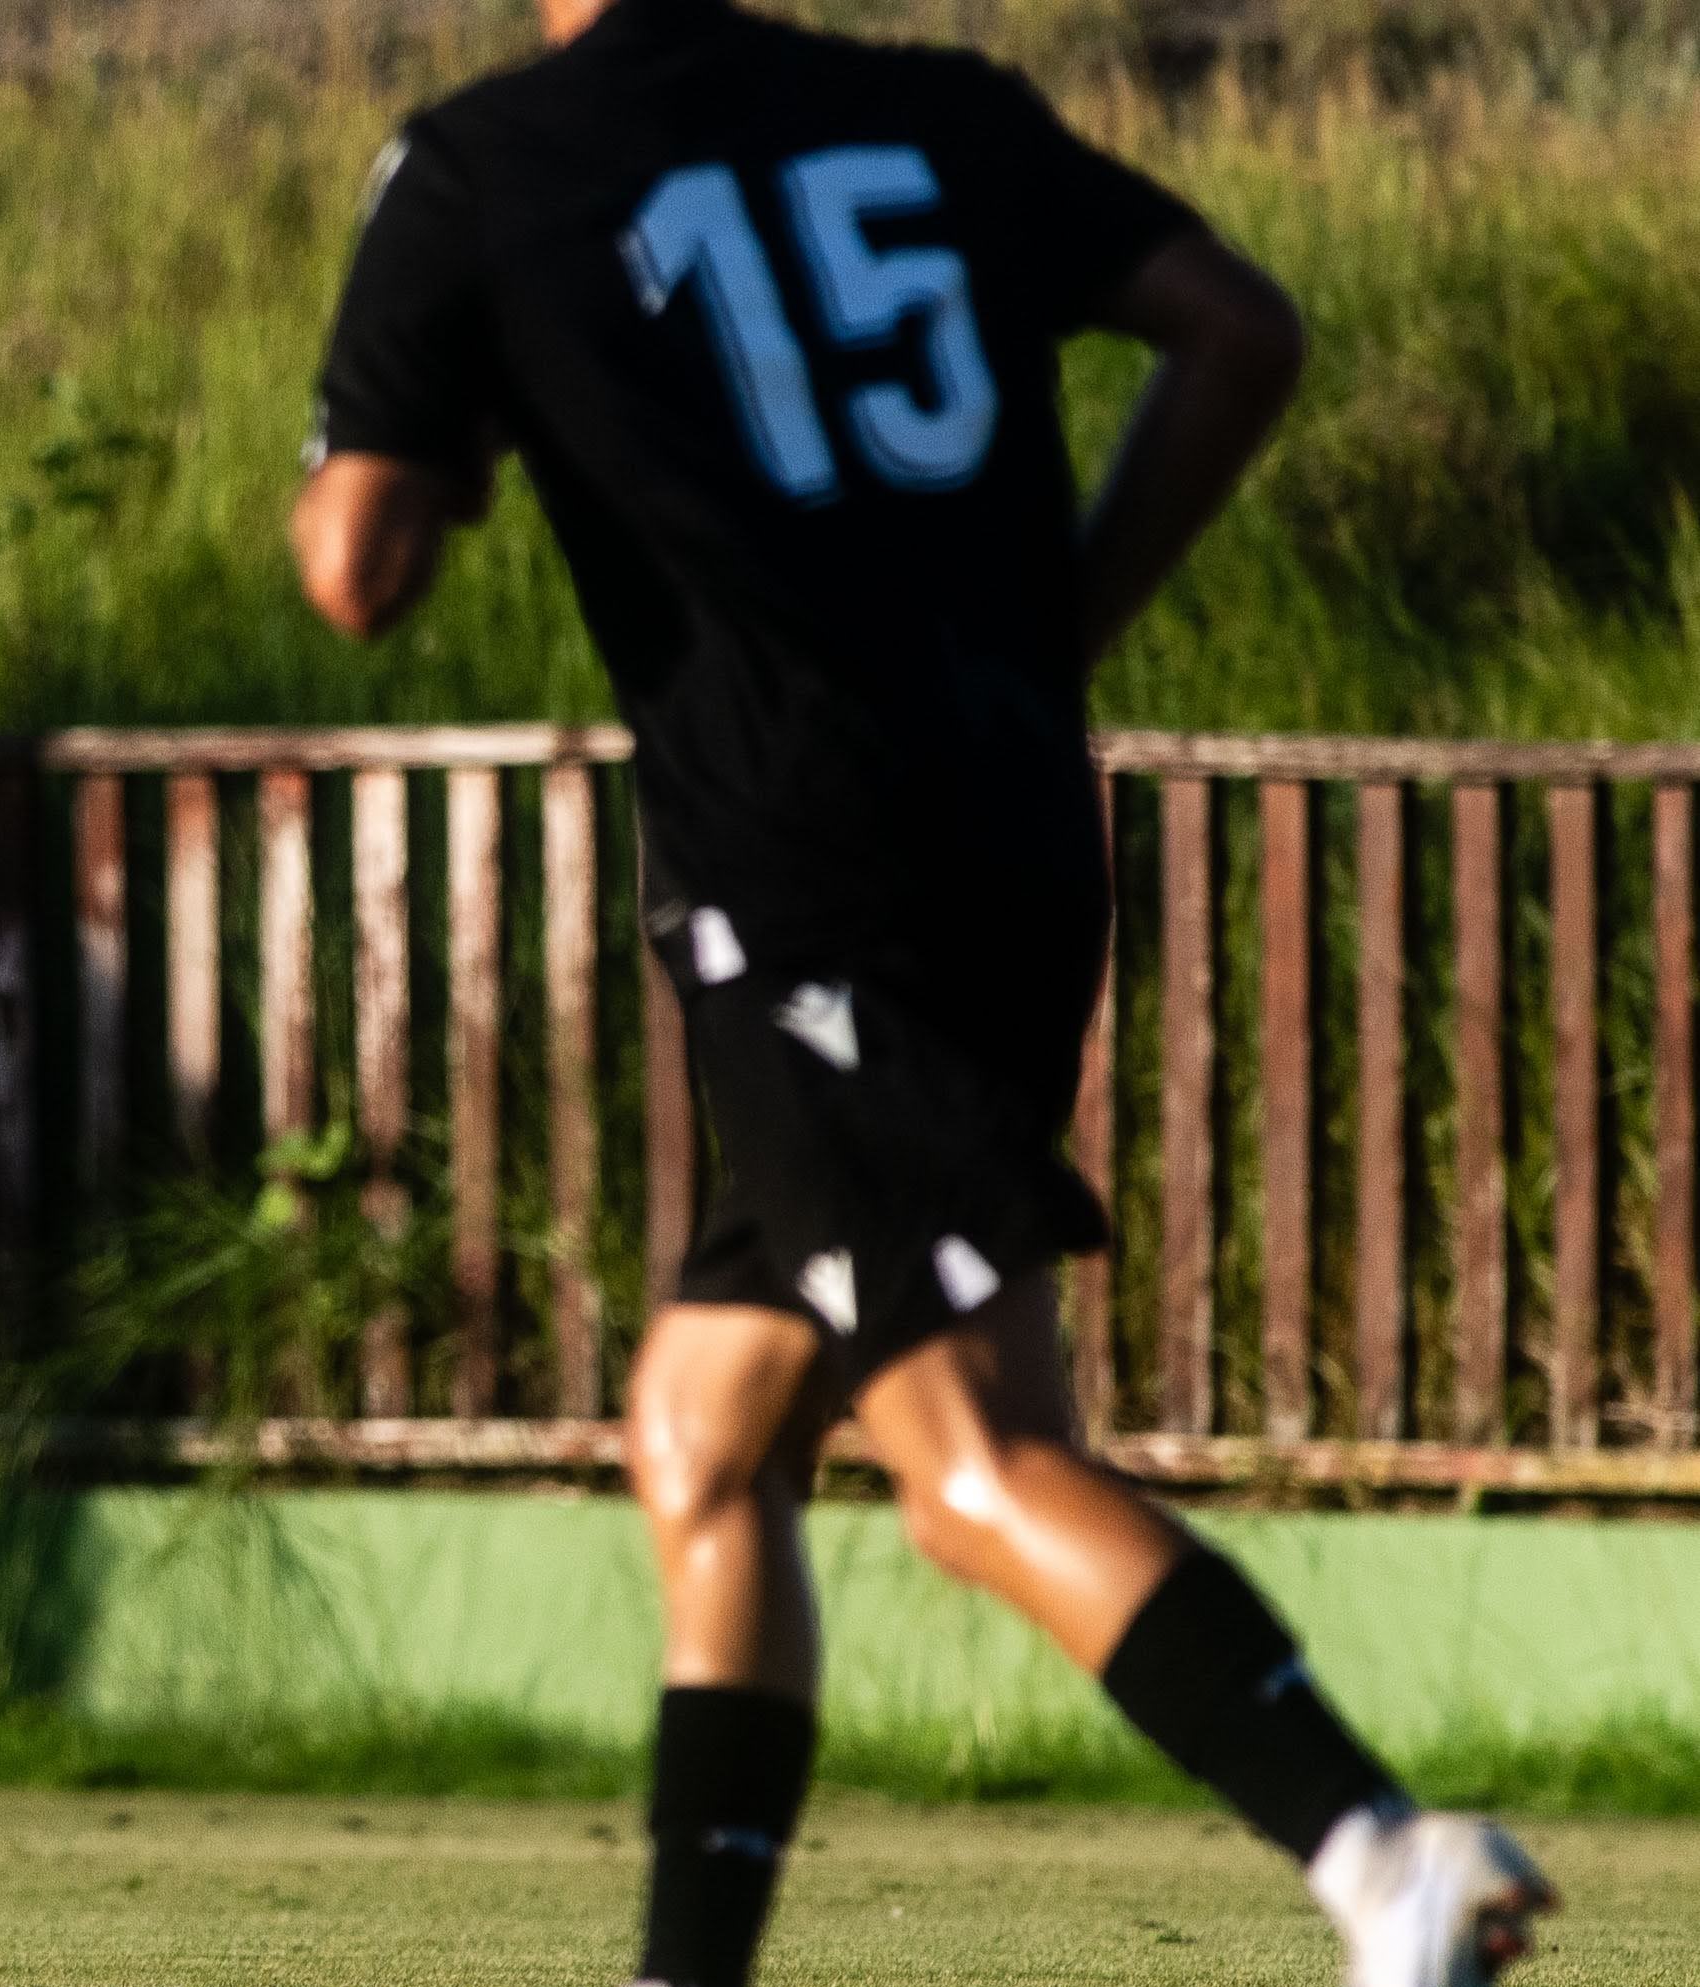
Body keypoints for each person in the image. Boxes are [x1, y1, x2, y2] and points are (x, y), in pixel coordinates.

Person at [290, 3, 1553, 1984]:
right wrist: (1053, 634)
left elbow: (355, 561)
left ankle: (1376, 1847)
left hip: (802, 877)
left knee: (963, 1461)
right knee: (705, 1428)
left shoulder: (486, 165)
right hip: (1012, 836)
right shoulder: (923, 109)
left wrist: (404, 438)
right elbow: (1241, 327)